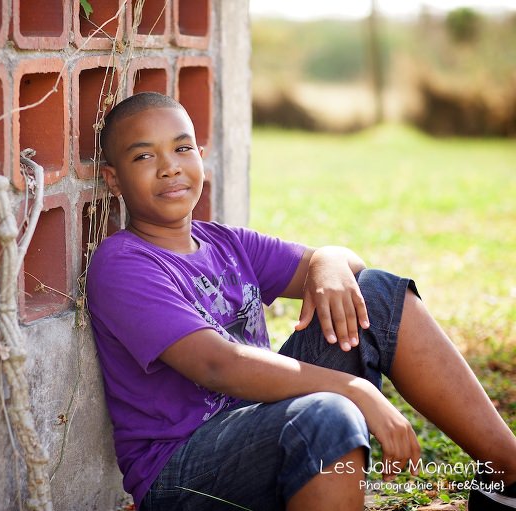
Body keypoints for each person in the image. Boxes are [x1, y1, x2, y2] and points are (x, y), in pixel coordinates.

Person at [85, 92, 516, 511]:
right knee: (326, 416)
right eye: (144, 156)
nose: (169, 168)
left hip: (259, 421)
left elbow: (353, 267)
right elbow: (218, 364)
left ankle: (508, 477)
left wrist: (326, 260)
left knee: (378, 293)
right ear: (112, 178)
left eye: (182, 148)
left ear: (200, 154)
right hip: (183, 471)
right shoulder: (123, 263)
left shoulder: (225, 242)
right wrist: (355, 389)